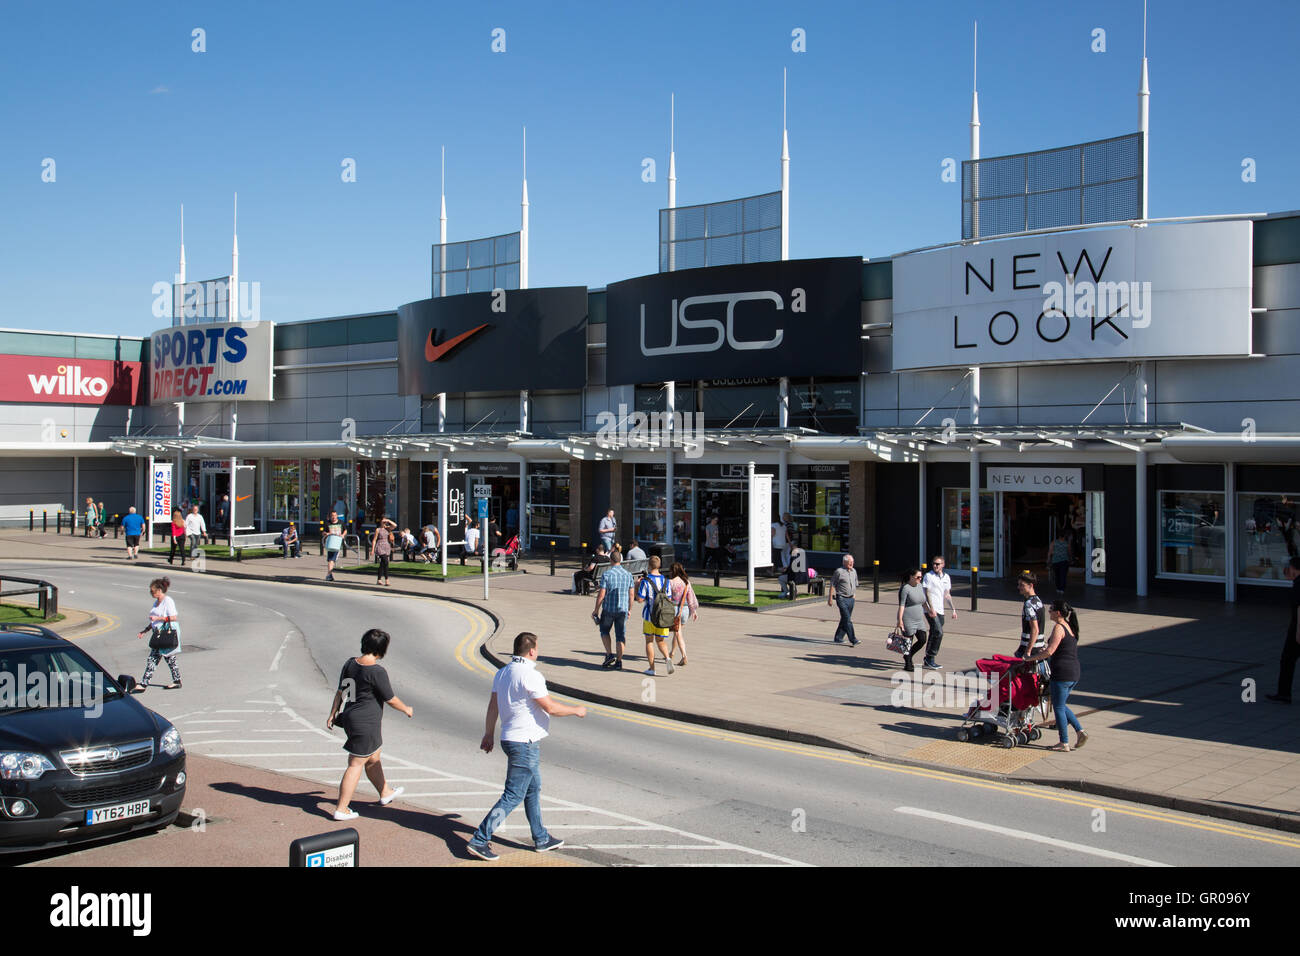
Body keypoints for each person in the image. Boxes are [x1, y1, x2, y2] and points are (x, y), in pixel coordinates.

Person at [466, 632, 586, 861]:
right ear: (531, 650)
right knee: (513, 794)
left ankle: (541, 838)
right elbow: (550, 707)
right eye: (537, 648)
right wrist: (576, 710)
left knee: (532, 789)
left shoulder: (502, 673)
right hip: (525, 743)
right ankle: (480, 839)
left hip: (510, 738)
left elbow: (493, 706)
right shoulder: (531, 675)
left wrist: (489, 733)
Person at [325, 628, 413, 820]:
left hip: (350, 717)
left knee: (373, 757)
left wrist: (333, 713)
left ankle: (385, 792)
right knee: (355, 764)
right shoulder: (376, 671)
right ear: (382, 649)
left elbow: (341, 692)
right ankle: (341, 808)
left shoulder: (350, 663)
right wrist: (406, 709)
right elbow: (390, 699)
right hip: (366, 723)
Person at [1026, 601, 1086, 752]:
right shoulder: (1069, 625)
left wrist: (1030, 659)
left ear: (1058, 613)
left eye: (1051, 609)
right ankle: (1080, 732)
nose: (1049, 612)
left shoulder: (1059, 627)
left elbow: (1049, 652)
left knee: (1058, 707)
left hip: (1062, 673)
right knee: (1062, 704)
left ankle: (1063, 742)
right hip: (1073, 673)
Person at [135, 577, 181, 691]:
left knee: (153, 659)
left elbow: (174, 617)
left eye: (153, 591)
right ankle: (177, 681)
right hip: (158, 634)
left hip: (164, 634)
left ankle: (144, 684)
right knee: (169, 659)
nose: (151, 593)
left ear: (159, 590)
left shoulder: (168, 600)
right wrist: (145, 630)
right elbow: (154, 621)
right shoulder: (157, 602)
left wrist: (158, 618)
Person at [592, 549, 635, 669]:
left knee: (604, 631)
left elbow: (601, 594)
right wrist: (629, 609)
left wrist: (596, 610)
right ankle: (619, 661)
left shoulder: (607, 574)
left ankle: (609, 654)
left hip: (608, 609)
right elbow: (632, 595)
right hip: (622, 610)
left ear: (610, 560)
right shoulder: (628, 575)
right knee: (620, 635)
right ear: (621, 560)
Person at [1266, 557, 1300, 703]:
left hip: (1297, 629)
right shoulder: (1297, 582)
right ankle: (1283, 693)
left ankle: (1284, 693)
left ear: (1294, 568)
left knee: (1287, 660)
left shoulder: (1299, 585)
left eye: (1289, 567)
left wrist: (1299, 631)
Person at [635, 555, 676, 675]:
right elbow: (668, 598)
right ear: (659, 566)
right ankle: (668, 658)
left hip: (649, 616)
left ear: (649, 565)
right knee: (661, 641)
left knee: (649, 641)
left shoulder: (646, 581)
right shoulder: (666, 580)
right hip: (663, 617)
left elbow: (640, 599)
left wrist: (637, 586)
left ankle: (652, 668)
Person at [921, 555, 957, 670]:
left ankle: (928, 658)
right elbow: (926, 592)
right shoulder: (928, 576)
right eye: (934, 564)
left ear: (943, 565)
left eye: (938, 564)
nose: (935, 566)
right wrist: (931, 608)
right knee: (939, 632)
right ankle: (930, 657)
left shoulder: (946, 577)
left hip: (941, 610)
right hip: (930, 609)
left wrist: (953, 609)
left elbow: (947, 594)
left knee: (934, 632)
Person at [896, 567, 932, 673]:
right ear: (911, 577)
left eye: (921, 577)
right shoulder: (905, 588)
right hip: (907, 618)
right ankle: (908, 664)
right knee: (908, 642)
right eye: (918, 577)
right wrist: (899, 620)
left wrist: (929, 611)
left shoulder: (920, 586)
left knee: (922, 639)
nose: (920, 579)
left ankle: (908, 655)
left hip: (919, 619)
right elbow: (901, 605)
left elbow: (923, 602)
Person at [666, 562, 699, 667]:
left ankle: (684, 656)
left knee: (678, 633)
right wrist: (693, 611)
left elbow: (667, 597)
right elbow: (691, 597)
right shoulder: (686, 582)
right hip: (685, 610)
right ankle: (672, 652)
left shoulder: (670, 582)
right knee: (677, 632)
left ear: (673, 571)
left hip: (674, 609)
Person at [828, 554, 859, 646]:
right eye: (849, 562)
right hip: (841, 598)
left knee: (844, 619)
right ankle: (853, 639)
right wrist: (830, 598)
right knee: (847, 619)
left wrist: (854, 595)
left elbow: (855, 583)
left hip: (851, 599)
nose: (851, 564)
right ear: (844, 562)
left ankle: (838, 637)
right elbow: (832, 584)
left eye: (852, 562)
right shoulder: (839, 571)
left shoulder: (854, 571)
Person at [1015, 572, 1047, 659]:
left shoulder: (1029, 604)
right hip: (1040, 645)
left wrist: (1028, 651)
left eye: (1022, 585)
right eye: (1018, 584)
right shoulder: (1038, 601)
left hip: (1030, 647)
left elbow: (1035, 629)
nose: (1019, 587)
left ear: (1030, 585)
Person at [370, 516, 395, 586]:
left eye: (385, 521)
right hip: (380, 546)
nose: (384, 523)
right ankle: (387, 580)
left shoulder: (388, 529)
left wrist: (388, 520)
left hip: (386, 546)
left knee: (382, 564)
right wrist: (372, 549)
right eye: (383, 521)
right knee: (386, 562)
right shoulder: (378, 530)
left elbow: (395, 525)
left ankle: (379, 579)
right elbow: (374, 540)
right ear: (380, 521)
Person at [1048, 527, 1072, 597]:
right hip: (1064, 561)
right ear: (1065, 536)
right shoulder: (1066, 543)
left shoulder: (1054, 542)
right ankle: (1062, 588)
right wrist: (1071, 559)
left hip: (1055, 561)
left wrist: (1048, 560)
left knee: (1057, 575)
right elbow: (1069, 552)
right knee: (1063, 575)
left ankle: (1058, 588)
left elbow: (1050, 552)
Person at [324, 510, 344, 582]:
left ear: (337, 516)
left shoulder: (341, 522)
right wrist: (326, 533)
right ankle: (329, 575)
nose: (334, 517)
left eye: (335, 515)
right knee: (331, 560)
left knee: (332, 560)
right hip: (331, 543)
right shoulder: (328, 523)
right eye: (332, 516)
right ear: (330, 516)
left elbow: (345, 530)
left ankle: (329, 574)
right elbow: (324, 532)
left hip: (337, 542)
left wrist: (343, 535)